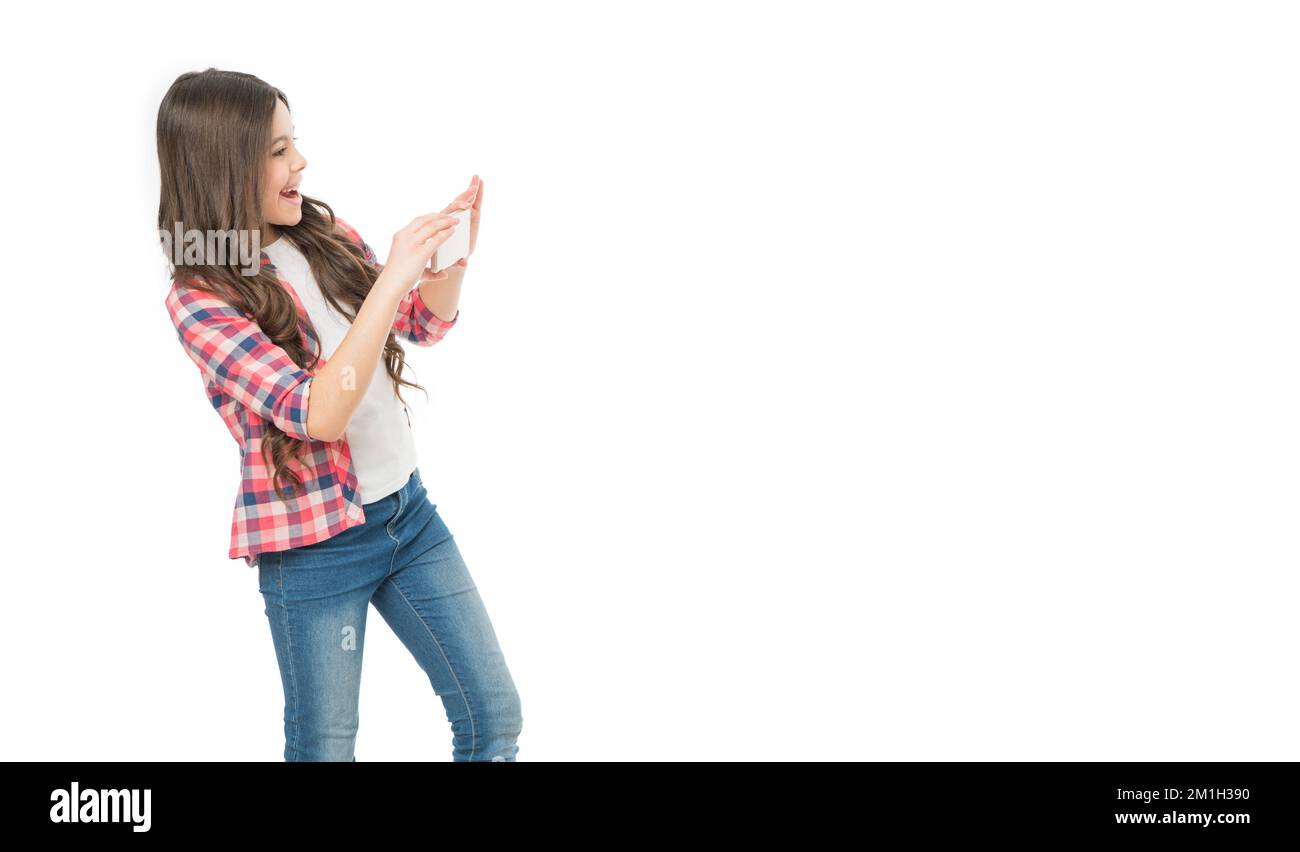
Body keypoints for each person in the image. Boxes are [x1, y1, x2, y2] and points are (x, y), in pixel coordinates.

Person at [157, 68, 522, 762]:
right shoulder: (199, 298)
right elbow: (313, 412)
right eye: (277, 151)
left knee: (493, 714)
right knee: (325, 749)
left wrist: (451, 255)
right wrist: (393, 276)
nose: (300, 163)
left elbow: (418, 321)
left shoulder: (317, 231)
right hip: (314, 549)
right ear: (224, 164)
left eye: (295, 143)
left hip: (407, 518)